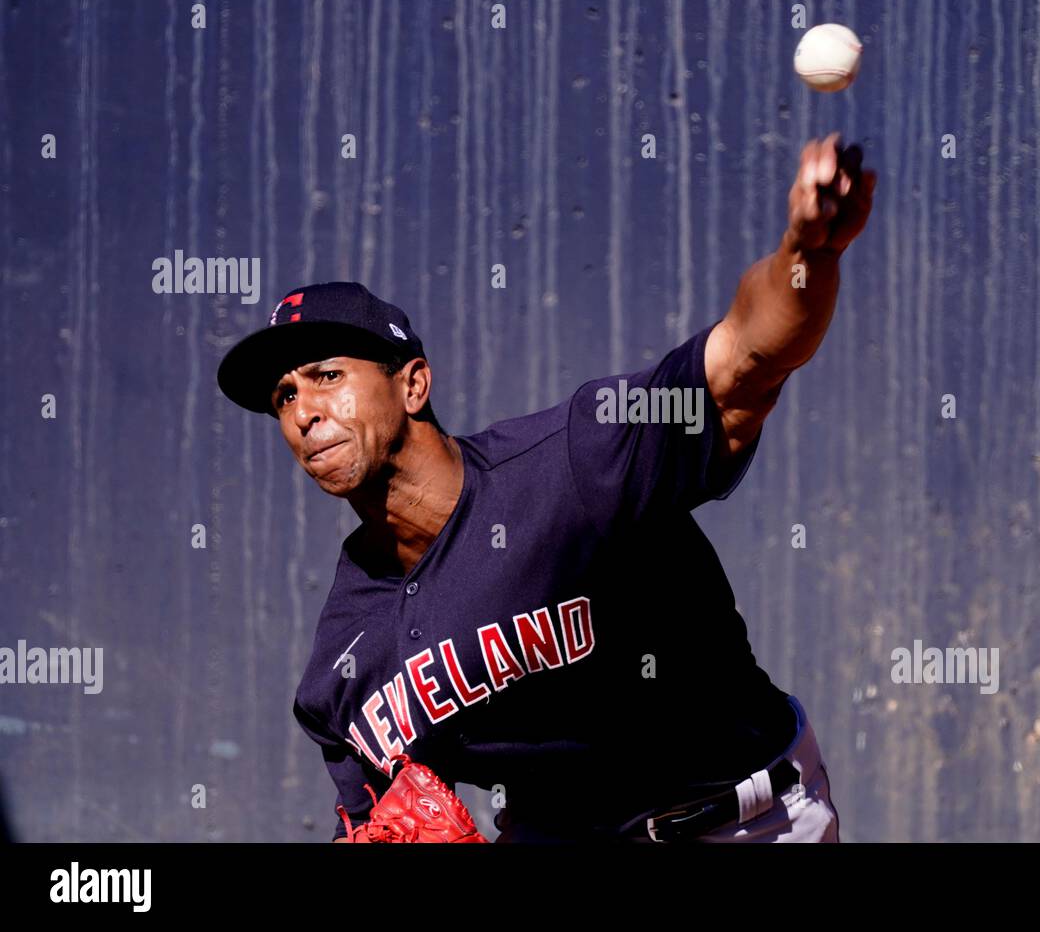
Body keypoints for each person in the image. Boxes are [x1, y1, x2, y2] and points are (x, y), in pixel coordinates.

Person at [216, 132, 876, 842]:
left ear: (413, 384)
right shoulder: (342, 667)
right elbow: (369, 826)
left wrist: (806, 256)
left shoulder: (574, 463)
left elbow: (743, 365)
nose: (304, 412)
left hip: (744, 821)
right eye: (283, 396)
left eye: (326, 376)